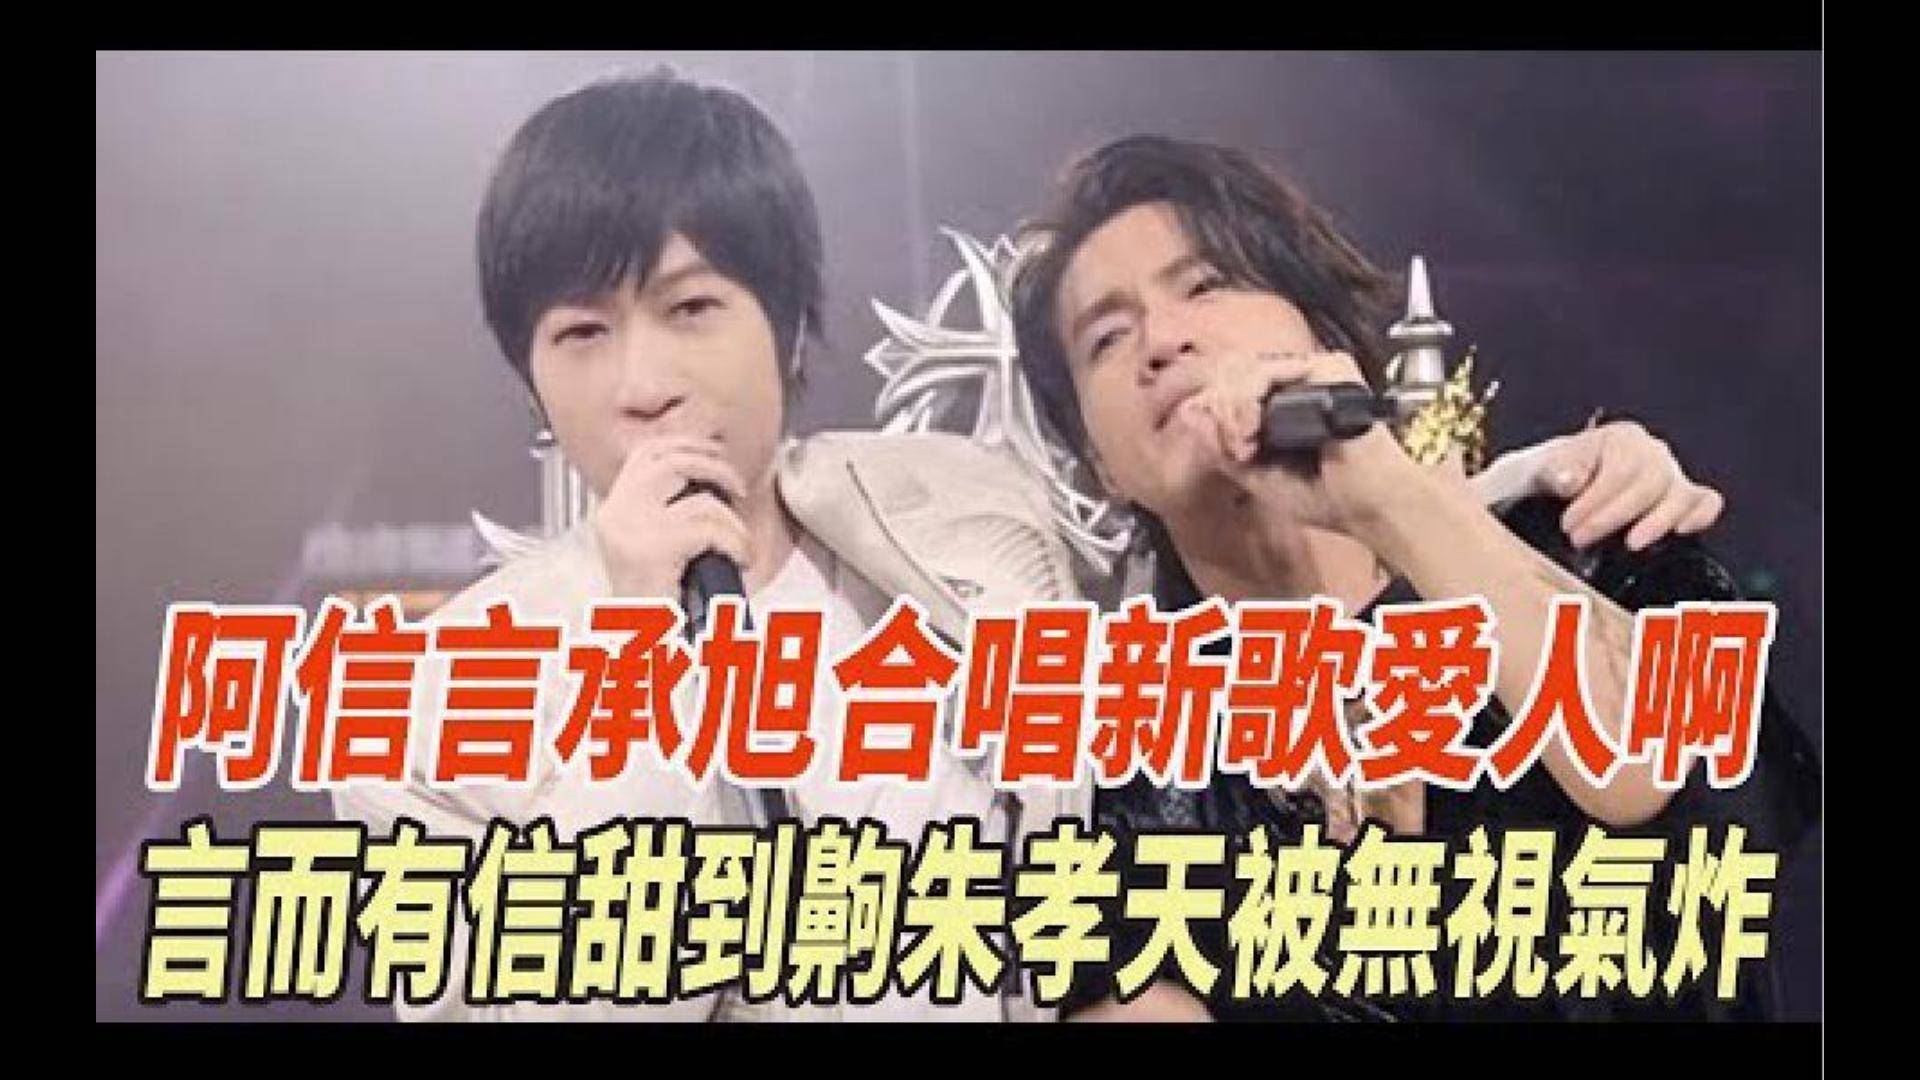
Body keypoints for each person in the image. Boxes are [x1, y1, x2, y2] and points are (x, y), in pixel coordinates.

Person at [332, 74, 1736, 1022]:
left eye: (693, 309)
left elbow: (1247, 531)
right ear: (529, 376)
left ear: (791, 326)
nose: (644, 382)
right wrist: (644, 667)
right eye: (580, 334)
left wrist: (1540, 476)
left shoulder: (967, 520)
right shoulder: (429, 708)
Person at [1005, 134, 1821, 1022]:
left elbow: (1690, 795)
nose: (1162, 342)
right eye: (1107, 338)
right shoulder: (1134, 771)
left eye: (1205, 286)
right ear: (1100, 460)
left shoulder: (1582, 540)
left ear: (1321, 332)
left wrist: (1388, 498)